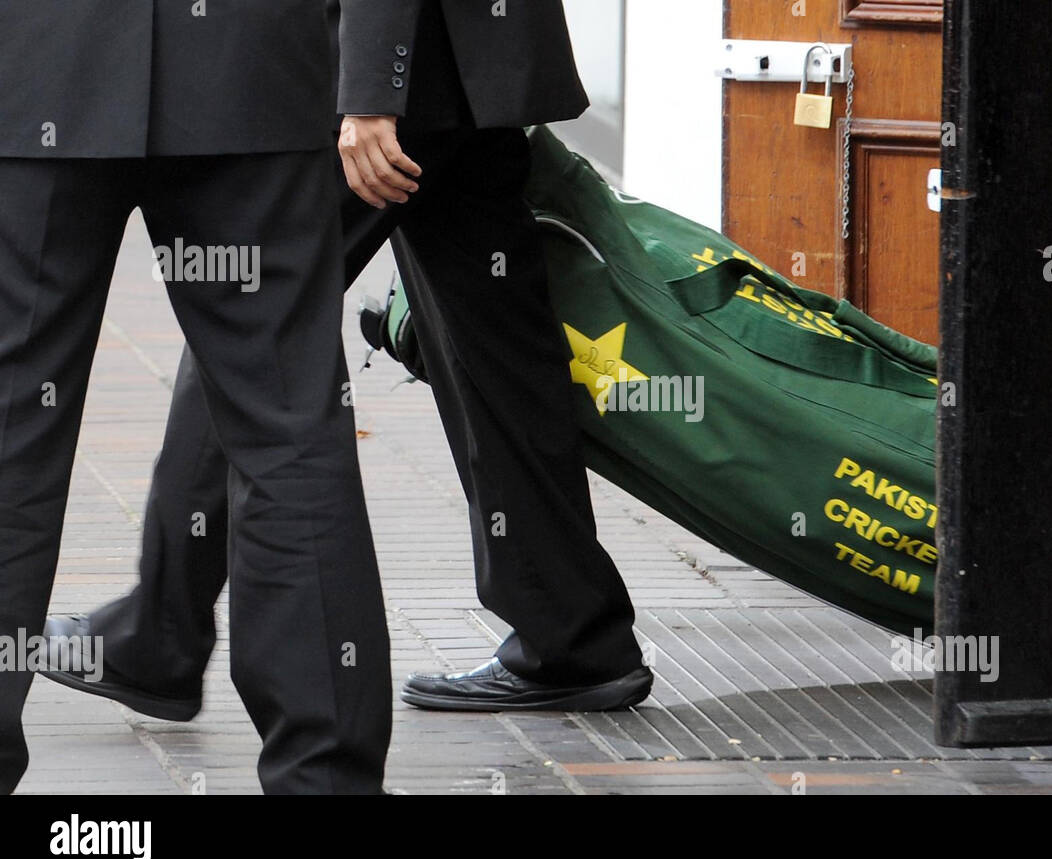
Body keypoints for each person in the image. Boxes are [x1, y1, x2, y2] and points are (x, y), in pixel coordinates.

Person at [42, 0, 653, 723]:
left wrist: (370, 91)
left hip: (397, 73)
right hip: (468, 62)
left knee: (251, 323)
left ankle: (156, 632)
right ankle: (573, 632)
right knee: (498, 348)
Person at [0, 0, 391, 794]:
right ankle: (325, 778)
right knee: (289, 428)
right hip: (251, 71)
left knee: (9, 434)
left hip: (41, 65)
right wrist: (374, 81)